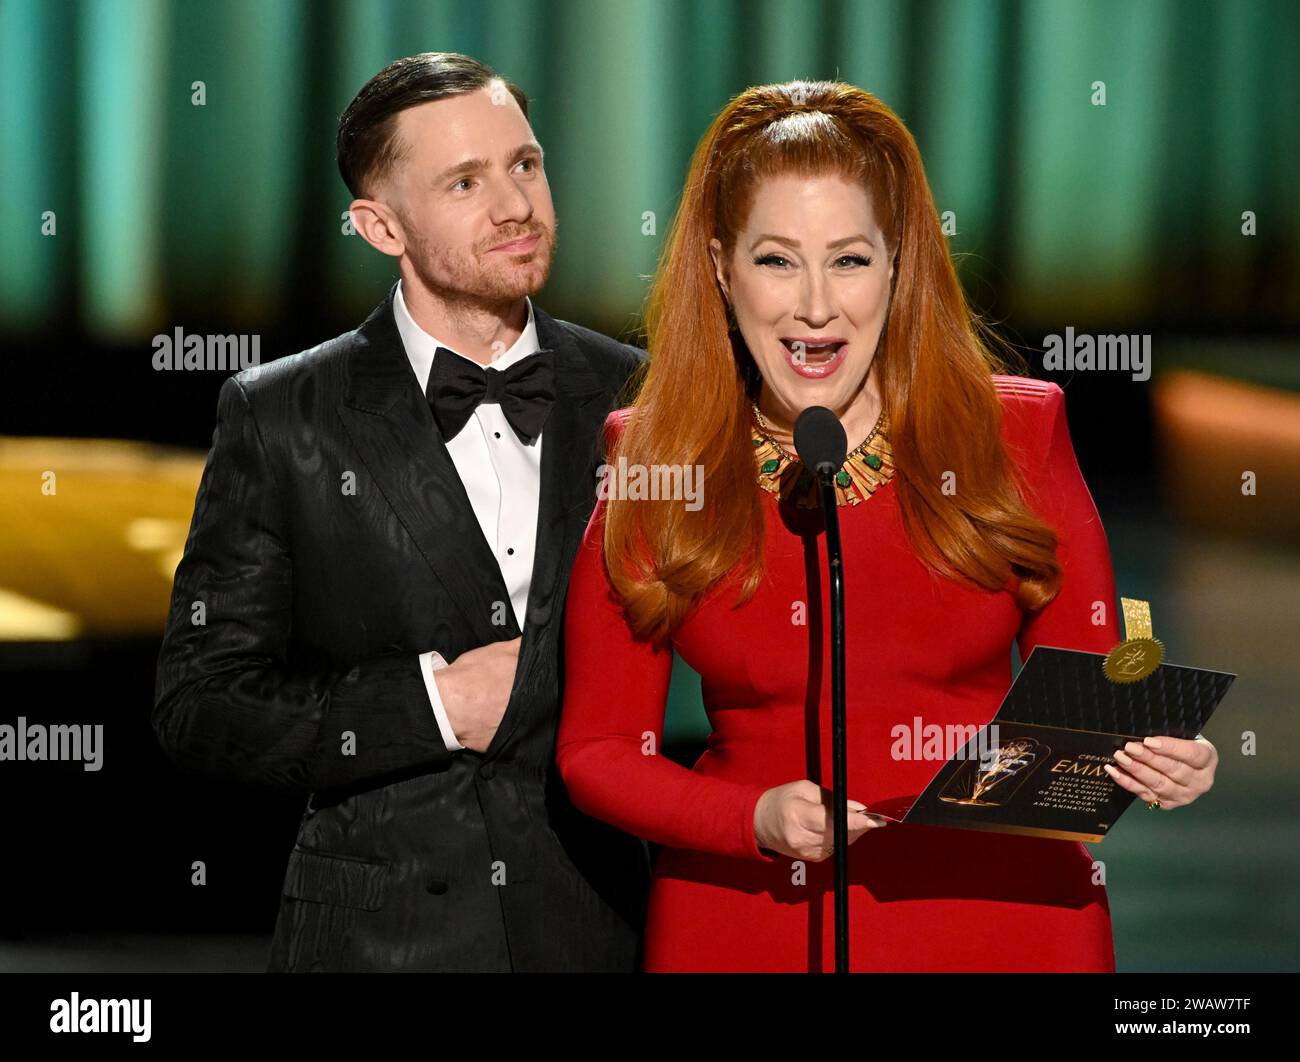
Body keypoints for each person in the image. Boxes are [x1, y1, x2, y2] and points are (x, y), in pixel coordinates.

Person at [555, 80, 1219, 972]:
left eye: (852, 260)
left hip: (1004, 920)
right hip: (746, 921)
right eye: (778, 261)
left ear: (900, 262)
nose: (817, 306)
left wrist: (1156, 757)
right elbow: (596, 750)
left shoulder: (1014, 433)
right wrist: (748, 818)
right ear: (720, 267)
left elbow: (1099, 696)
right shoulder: (655, 458)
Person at [153, 52, 650, 972]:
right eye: (465, 181)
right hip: (374, 943)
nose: (516, 205)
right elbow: (202, 705)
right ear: (380, 225)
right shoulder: (279, 414)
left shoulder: (642, 394)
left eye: (525, 165)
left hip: (601, 926)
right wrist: (434, 704)